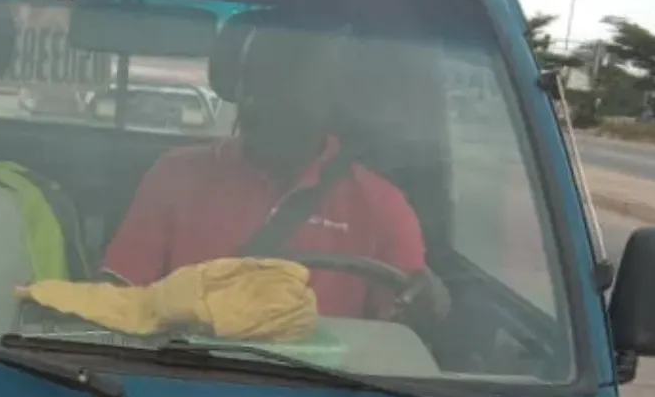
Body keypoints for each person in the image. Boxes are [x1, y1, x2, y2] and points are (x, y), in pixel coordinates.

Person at [102, 22, 427, 320]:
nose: (262, 105)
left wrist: (427, 303)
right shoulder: (175, 176)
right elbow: (117, 303)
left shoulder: (380, 207)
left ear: (331, 102)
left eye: (288, 89)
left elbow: (406, 326)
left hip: (327, 383)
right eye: (254, 86)